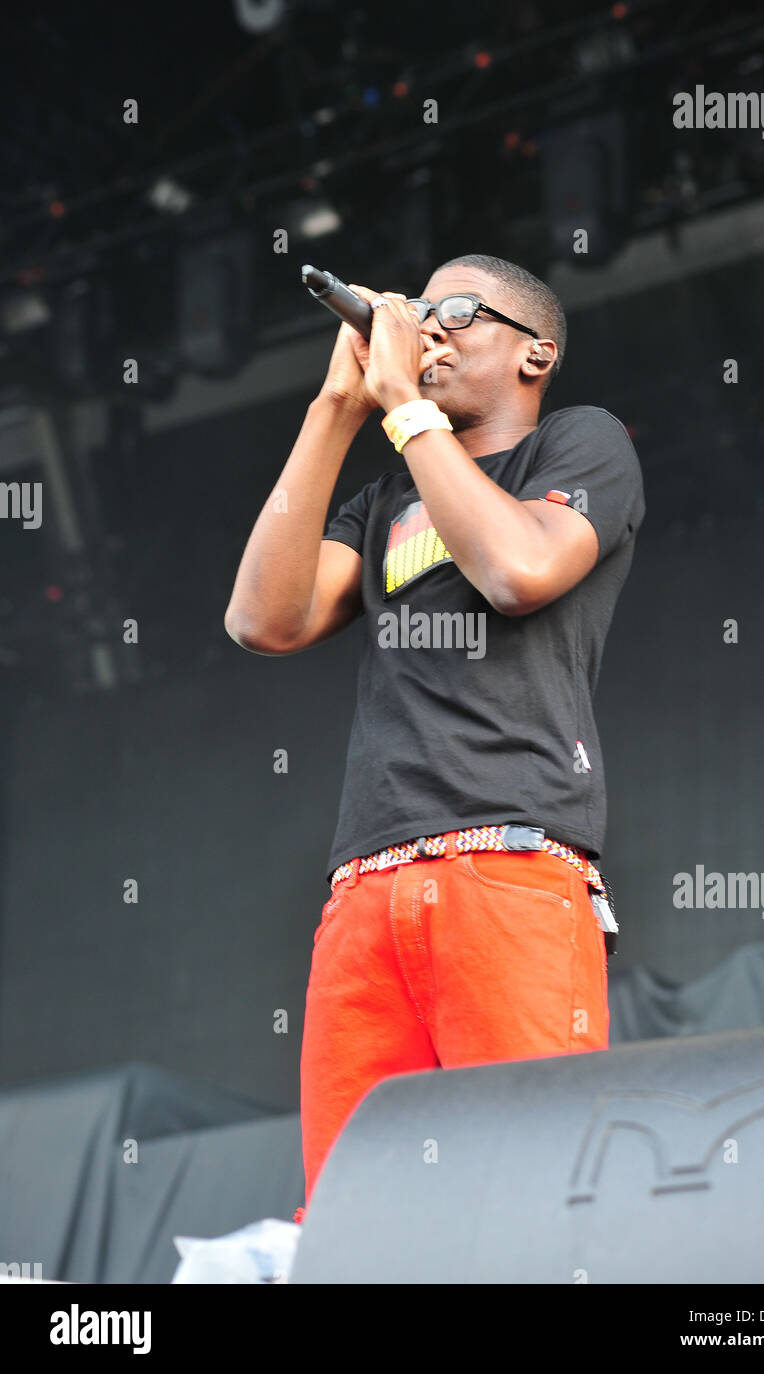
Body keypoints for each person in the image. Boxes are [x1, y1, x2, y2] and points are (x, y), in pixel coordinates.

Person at [224, 253, 645, 1223]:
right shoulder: (383, 505)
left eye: (458, 310)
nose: (430, 328)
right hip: (363, 892)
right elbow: (264, 620)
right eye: (418, 313)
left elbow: (519, 569)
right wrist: (338, 406)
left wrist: (406, 412)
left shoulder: (579, 445)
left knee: (534, 1197)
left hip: (509, 866)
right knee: (355, 1216)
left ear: (536, 350)